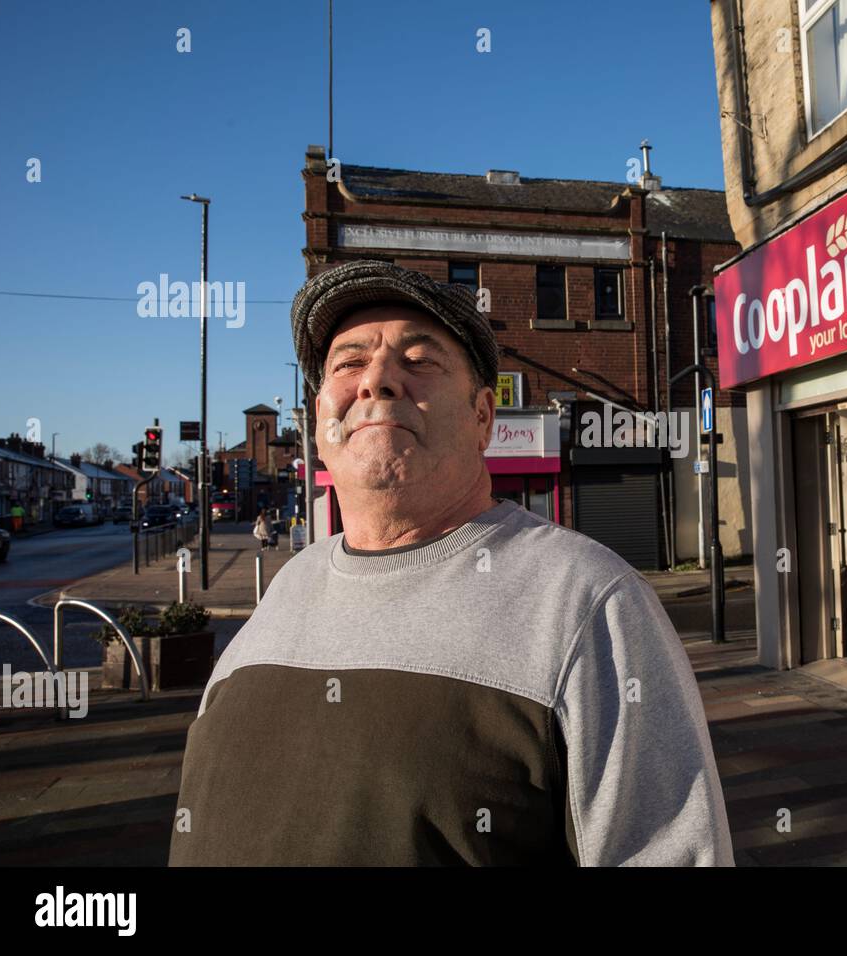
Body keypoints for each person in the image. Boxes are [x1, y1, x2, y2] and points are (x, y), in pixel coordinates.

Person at [170, 260, 733, 866]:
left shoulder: (588, 601)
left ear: (483, 417)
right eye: (349, 362)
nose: (377, 381)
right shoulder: (287, 588)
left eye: (419, 361)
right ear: (319, 423)